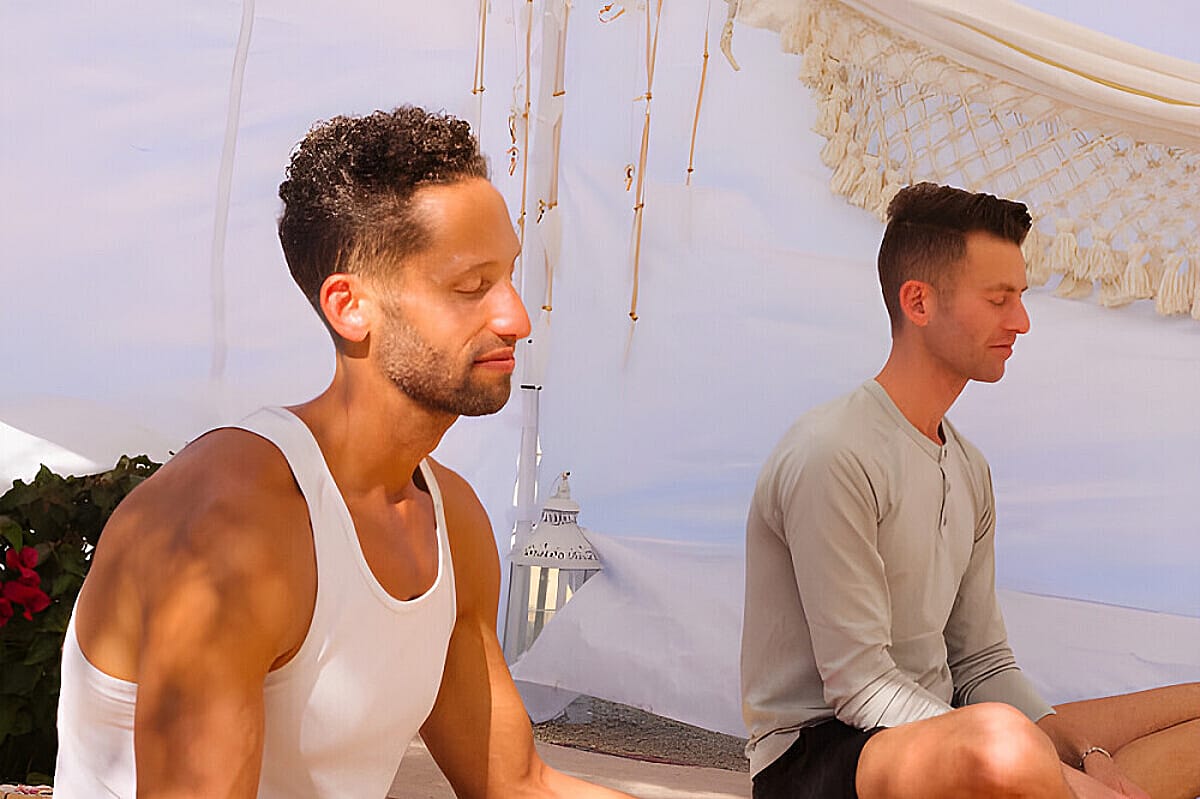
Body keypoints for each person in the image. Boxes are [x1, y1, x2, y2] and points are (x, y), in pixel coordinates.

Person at [54, 106, 635, 799]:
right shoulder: (234, 529)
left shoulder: (453, 519)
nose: (515, 317)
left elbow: (516, 783)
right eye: (471, 287)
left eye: (509, 276)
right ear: (350, 306)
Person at [740, 183, 1200, 799]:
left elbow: (984, 662)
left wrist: (1087, 756)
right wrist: (1055, 770)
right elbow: (860, 687)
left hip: (952, 733)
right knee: (1003, 742)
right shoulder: (834, 452)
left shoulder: (968, 467)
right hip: (825, 757)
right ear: (919, 302)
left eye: (1020, 297)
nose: (1022, 321)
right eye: (998, 299)